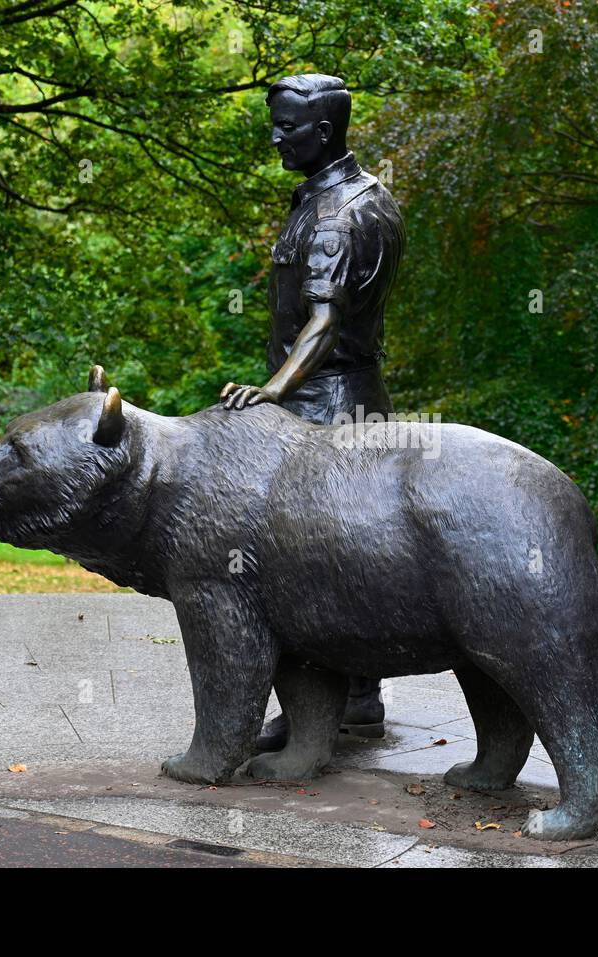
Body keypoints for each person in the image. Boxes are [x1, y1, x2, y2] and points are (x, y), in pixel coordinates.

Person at [219, 73, 405, 751]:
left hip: (325, 407)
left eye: (286, 127)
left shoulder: (337, 215)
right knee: (347, 560)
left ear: (323, 131)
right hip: (355, 399)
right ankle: (357, 699)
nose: (274, 137)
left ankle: (318, 710)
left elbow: (324, 324)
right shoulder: (357, 195)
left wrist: (273, 390)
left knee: (304, 566)